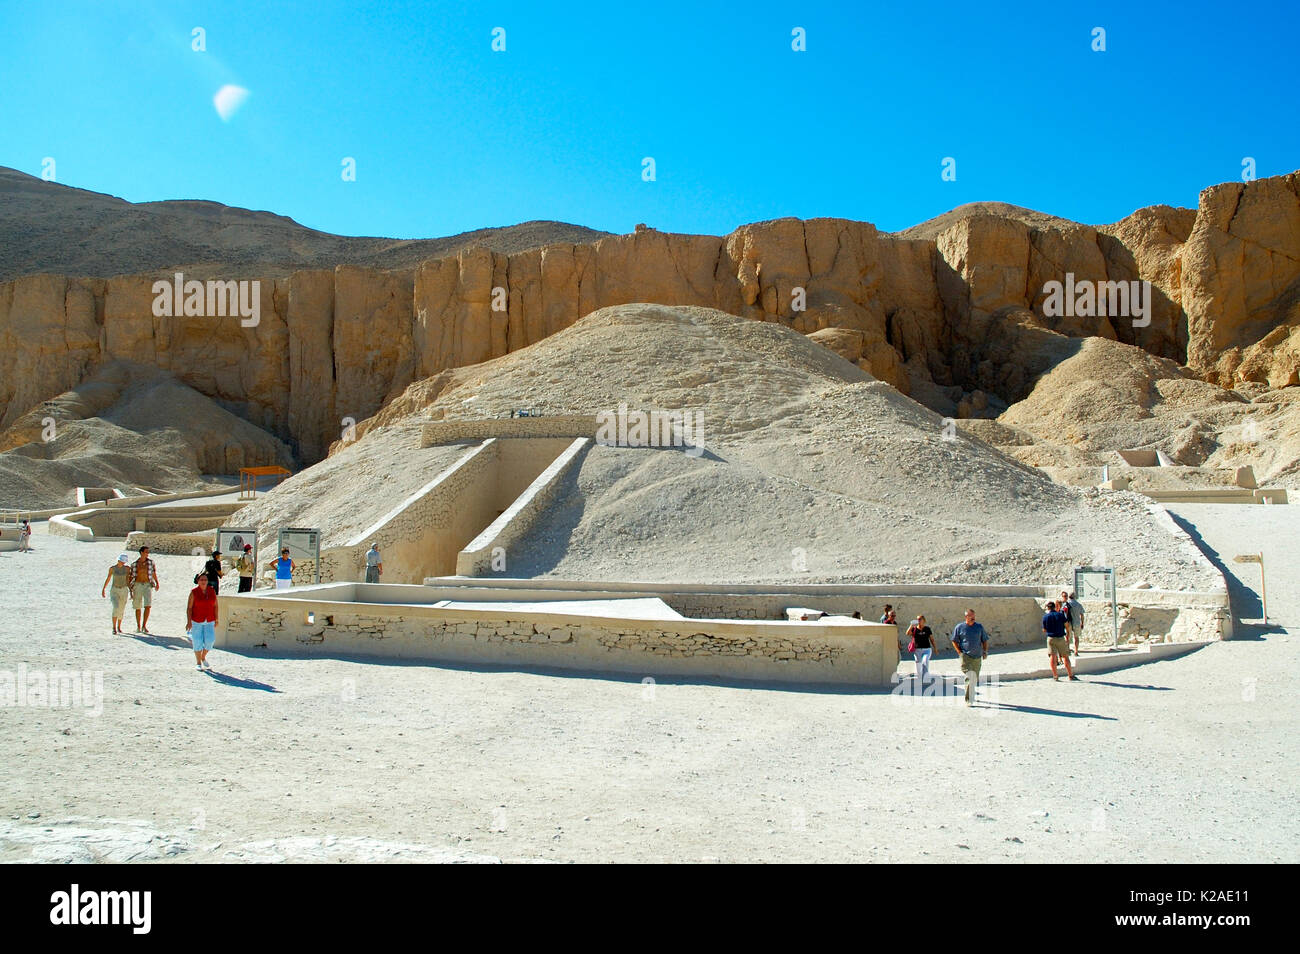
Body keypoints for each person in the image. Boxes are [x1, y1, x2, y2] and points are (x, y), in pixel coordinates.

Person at [950, 608, 989, 706]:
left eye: (974, 616)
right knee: (969, 676)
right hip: (966, 656)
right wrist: (959, 652)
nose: (973, 618)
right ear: (966, 617)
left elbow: (984, 640)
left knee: (974, 678)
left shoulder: (979, 627)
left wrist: (985, 651)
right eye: (971, 616)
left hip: (977, 656)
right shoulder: (959, 627)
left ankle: (970, 695)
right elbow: (954, 640)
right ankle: (969, 700)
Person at [186, 573, 219, 671]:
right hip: (197, 620)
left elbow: (215, 606)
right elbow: (189, 608)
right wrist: (189, 621)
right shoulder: (194, 592)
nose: (203, 581)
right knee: (197, 641)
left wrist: (217, 618)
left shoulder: (212, 590)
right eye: (201, 580)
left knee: (210, 640)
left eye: (205, 579)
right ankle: (198, 662)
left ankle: (203, 656)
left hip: (209, 620)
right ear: (198, 581)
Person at [1043, 600, 1078, 681]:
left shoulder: (1045, 617)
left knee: (1052, 656)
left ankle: (1055, 676)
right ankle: (1070, 675)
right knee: (1065, 656)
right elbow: (1066, 625)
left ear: (1048, 608)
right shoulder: (1060, 615)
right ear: (1054, 607)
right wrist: (1068, 634)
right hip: (1060, 638)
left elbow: (1044, 630)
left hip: (1051, 638)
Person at [101, 552, 133, 634]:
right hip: (114, 590)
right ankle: (114, 627)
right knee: (116, 607)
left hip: (124, 590)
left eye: (123, 561)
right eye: (120, 561)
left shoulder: (127, 569)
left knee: (121, 609)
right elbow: (108, 578)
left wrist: (131, 591)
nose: (122, 562)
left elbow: (128, 580)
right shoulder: (112, 568)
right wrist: (104, 588)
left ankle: (119, 626)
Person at [131, 546, 160, 634]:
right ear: (141, 552)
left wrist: (157, 582)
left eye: (148, 552)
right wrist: (130, 588)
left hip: (147, 584)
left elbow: (154, 573)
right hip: (138, 584)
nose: (148, 553)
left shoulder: (151, 563)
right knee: (138, 606)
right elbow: (131, 576)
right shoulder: (135, 564)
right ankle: (138, 626)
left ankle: (144, 625)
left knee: (148, 605)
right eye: (146, 552)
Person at [906, 614, 939, 684]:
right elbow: (907, 633)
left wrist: (935, 648)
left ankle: (925, 678)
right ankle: (919, 678)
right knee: (918, 664)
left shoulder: (927, 629)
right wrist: (911, 625)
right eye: (917, 619)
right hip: (917, 650)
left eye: (920, 619)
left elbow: (932, 639)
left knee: (925, 661)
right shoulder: (914, 629)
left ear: (924, 620)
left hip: (927, 649)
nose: (919, 620)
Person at [1062, 590, 1085, 656]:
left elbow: (1062, 612)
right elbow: (1082, 615)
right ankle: (1076, 651)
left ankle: (1068, 649)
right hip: (1077, 622)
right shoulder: (1078, 604)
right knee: (1076, 637)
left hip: (1068, 623)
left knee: (1068, 637)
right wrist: (1082, 623)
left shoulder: (1066, 604)